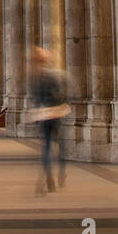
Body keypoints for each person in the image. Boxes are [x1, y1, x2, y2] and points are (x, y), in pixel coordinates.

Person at [27, 48, 69, 194]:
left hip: (43, 115)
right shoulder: (53, 75)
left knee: (46, 147)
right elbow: (60, 93)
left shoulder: (35, 76)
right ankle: (61, 173)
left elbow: (35, 98)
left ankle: (48, 177)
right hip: (55, 113)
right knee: (61, 145)